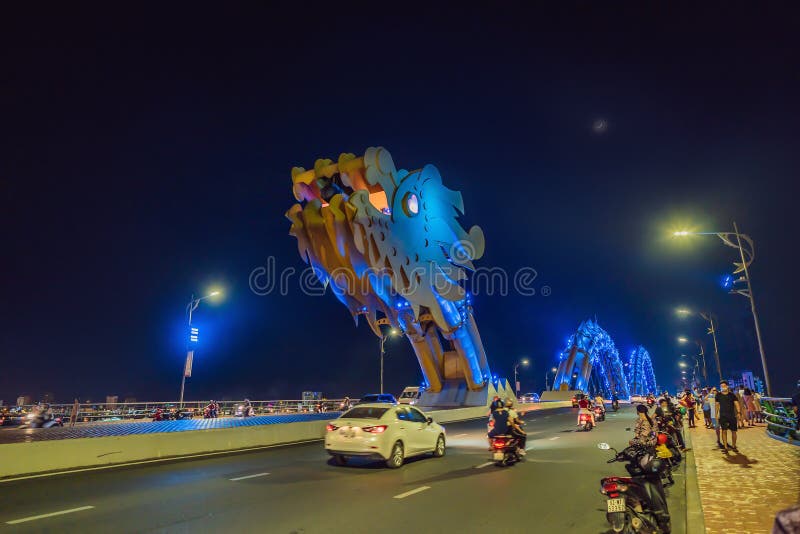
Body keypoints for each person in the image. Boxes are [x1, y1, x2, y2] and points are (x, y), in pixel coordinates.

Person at [715, 380, 742, 454]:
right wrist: (716, 414)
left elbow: (736, 404)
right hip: (723, 416)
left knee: (734, 431)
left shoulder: (732, 395)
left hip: (732, 415)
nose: (723, 387)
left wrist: (739, 412)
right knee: (724, 431)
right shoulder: (718, 395)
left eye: (724, 386)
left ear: (727, 386)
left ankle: (733, 446)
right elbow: (717, 405)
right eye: (721, 386)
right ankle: (726, 447)